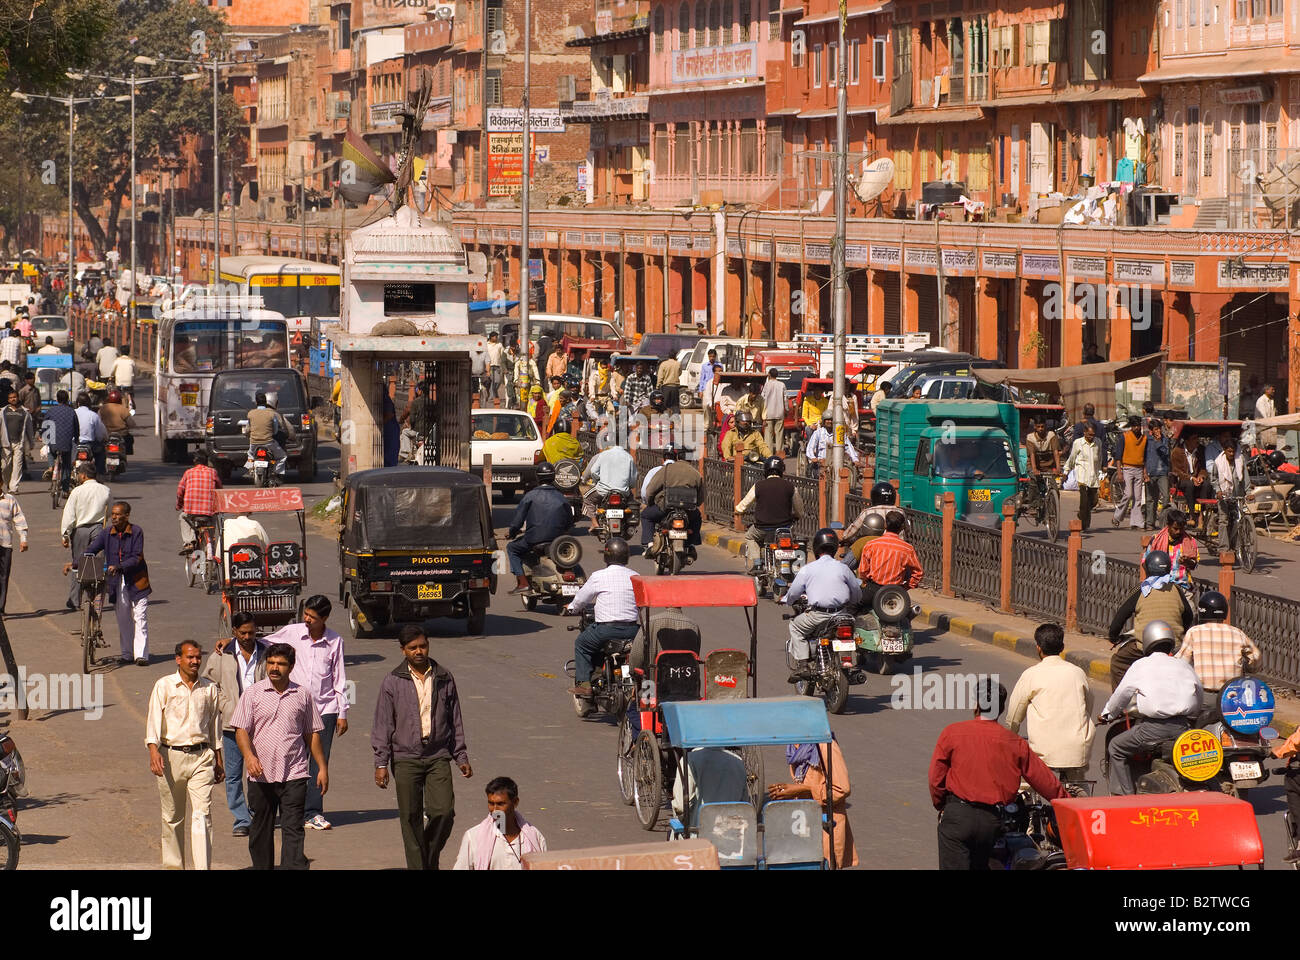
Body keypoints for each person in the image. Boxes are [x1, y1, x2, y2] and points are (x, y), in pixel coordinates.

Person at [928, 679, 1068, 869]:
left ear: (976, 704)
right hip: (991, 821)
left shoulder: (952, 733)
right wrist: (1071, 803)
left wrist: (942, 806)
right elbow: (1045, 781)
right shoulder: (1015, 742)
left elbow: (936, 778)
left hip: (957, 816)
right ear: (1001, 708)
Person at [372, 624, 473, 870]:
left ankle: (427, 855)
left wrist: (460, 755)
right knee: (410, 817)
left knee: (444, 812)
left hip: (438, 756)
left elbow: (455, 719)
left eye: (422, 646)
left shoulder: (444, 677)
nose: (419, 651)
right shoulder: (392, 681)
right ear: (403, 650)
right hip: (405, 758)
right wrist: (381, 763)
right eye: (412, 648)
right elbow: (383, 724)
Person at [231, 642, 327, 870]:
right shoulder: (253, 693)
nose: (275, 668)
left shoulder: (302, 695)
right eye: (271, 663)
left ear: (291, 667)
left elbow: (311, 733)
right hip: (260, 774)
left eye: (281, 664)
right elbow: (241, 730)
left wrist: (322, 767)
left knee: (293, 828)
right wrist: (249, 757)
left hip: (294, 773)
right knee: (261, 829)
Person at [258, 597, 349, 832]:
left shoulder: (334, 641)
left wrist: (342, 712)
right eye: (306, 614)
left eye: (313, 617)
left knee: (319, 762)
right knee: (293, 758)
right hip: (295, 708)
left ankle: (313, 812)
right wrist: (232, 642)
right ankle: (289, 810)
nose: (307, 620)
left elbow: (339, 678)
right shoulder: (292, 632)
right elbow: (261, 641)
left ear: (324, 619)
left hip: (325, 709)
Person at [1099, 622, 1203, 795]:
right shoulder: (1183, 665)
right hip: (1182, 728)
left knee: (1115, 747)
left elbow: (1121, 695)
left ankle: (1126, 798)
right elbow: (1197, 693)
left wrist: (1107, 715)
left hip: (1151, 730)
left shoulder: (1140, 665)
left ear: (1147, 642)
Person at [145, 640, 223, 870]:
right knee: (172, 818)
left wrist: (218, 759)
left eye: (198, 657)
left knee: (202, 815)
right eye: (190, 657)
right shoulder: (164, 686)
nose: (195, 661)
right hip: (170, 757)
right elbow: (153, 722)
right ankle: (174, 866)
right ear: (178, 659)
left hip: (202, 757)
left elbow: (215, 727)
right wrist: (153, 752)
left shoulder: (209, 688)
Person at [201, 612, 264, 838]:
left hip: (261, 725)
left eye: (251, 632)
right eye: (243, 633)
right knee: (235, 773)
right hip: (232, 725)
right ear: (234, 632)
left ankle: (259, 813)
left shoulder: (266, 652)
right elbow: (210, 684)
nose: (248, 637)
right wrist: (226, 705)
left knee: (258, 772)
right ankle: (241, 818)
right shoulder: (221, 655)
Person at [1005, 624, 1095, 779]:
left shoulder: (1031, 674)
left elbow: (1015, 713)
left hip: (1042, 750)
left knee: (1026, 782)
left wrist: (1010, 735)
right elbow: (1088, 706)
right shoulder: (1077, 673)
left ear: (1038, 648)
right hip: (1077, 749)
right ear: (1062, 646)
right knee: (1077, 782)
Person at [73, 500, 150, 664]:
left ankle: (141, 655)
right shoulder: (106, 533)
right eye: (112, 514)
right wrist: (74, 563)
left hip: (137, 581)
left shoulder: (136, 531)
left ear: (126, 516)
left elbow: (137, 557)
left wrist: (120, 566)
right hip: (117, 582)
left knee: (140, 617)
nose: (114, 517)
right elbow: (91, 550)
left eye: (117, 514)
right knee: (123, 619)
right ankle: (127, 654)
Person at [1107, 549, 1194, 688]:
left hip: (1143, 647)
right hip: (1174, 646)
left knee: (1118, 662)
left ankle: (1121, 708)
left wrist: (1113, 636)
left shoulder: (1142, 589)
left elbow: (1121, 616)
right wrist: (1179, 632)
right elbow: (1189, 615)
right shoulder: (1176, 589)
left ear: (1147, 569)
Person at [767, 736, 858, 868]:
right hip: (806, 825)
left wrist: (803, 790)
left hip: (827, 827)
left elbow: (841, 789)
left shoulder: (825, 746)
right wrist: (788, 793)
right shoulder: (794, 747)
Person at [783, 528, 861, 682]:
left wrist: (787, 601)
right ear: (834, 548)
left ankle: (803, 665)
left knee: (795, 627)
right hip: (842, 615)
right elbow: (856, 593)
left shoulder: (808, 569)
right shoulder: (843, 568)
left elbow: (793, 593)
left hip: (818, 615)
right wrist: (851, 603)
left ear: (817, 547)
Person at [567, 538, 639, 698]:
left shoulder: (599, 576)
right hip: (633, 631)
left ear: (606, 557)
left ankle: (585, 685)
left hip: (606, 630)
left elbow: (581, 599)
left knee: (581, 644)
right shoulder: (635, 576)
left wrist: (572, 608)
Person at [1175, 590, 1261, 695]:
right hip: (1232, 695)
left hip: (1203, 696)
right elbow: (1256, 656)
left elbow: (1181, 662)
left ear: (1201, 611)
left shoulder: (1194, 632)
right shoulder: (1237, 633)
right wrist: (1249, 668)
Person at [505, 461, 573, 593]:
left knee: (511, 548)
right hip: (557, 543)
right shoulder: (562, 498)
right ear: (553, 477)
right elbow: (569, 522)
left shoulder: (529, 496)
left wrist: (512, 532)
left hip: (533, 540)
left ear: (537, 477)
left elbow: (517, 521)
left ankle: (523, 583)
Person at [453, 777, 547, 870]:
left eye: (500, 804)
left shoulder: (535, 837)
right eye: (491, 803)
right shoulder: (473, 837)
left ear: (515, 802)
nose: (494, 810)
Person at [734, 456, 805, 574]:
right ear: (782, 470)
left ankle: (757, 564)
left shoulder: (758, 486)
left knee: (750, 536)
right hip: (784, 528)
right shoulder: (791, 486)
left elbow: (743, 505)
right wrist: (796, 515)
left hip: (762, 528)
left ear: (766, 470)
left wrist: (738, 511)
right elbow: (799, 509)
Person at [60, 462, 110, 610]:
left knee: (78, 563)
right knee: (98, 565)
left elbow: (69, 515)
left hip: (80, 530)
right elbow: (110, 512)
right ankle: (97, 599)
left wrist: (65, 534)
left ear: (83, 475)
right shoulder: (106, 490)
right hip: (99, 530)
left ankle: (75, 600)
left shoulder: (77, 491)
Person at [857, 510, 924, 608]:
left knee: (853, 607)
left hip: (873, 589)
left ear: (885, 525)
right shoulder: (907, 549)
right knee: (906, 617)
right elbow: (918, 573)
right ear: (902, 528)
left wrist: (865, 582)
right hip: (896, 592)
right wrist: (906, 587)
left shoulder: (871, 545)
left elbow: (863, 571)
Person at [642, 446, 705, 548]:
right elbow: (700, 499)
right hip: (687, 510)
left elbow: (650, 490)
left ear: (677, 457)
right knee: (697, 517)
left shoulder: (666, 469)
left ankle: (649, 543)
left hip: (665, 508)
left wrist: (650, 503)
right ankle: (692, 543)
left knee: (646, 515)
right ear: (691, 459)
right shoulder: (696, 474)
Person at [176, 451, 222, 551]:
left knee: (183, 517)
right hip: (209, 512)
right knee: (214, 517)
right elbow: (220, 489)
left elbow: (180, 490)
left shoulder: (188, 472)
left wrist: (179, 505)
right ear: (206, 462)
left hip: (191, 511)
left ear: (195, 461)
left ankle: (189, 542)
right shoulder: (213, 472)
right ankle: (210, 539)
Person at [1063, 420, 1103, 532]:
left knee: (1093, 501)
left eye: (1093, 435)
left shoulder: (1098, 442)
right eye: (1089, 434)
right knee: (1084, 501)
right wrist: (1066, 471)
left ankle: (1082, 515)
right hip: (1082, 476)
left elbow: (1099, 458)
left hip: (1093, 476)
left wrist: (1100, 471)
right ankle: (1084, 525)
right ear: (1084, 432)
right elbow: (1072, 458)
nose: (1091, 437)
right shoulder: (1078, 443)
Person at [1142, 509, 1198, 586]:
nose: (1178, 532)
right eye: (1175, 528)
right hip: (1159, 585)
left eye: (1181, 529)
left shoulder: (1190, 541)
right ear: (1168, 525)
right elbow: (1145, 562)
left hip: (1183, 585)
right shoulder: (1156, 540)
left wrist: (1187, 562)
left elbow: (1194, 565)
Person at [581, 443, 636, 521]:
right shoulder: (628, 457)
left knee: (587, 498)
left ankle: (594, 523)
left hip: (603, 490)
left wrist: (597, 481)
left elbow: (593, 471)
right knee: (630, 503)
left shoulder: (603, 455)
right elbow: (633, 477)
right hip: (623, 492)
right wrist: (629, 486)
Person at [246, 391, 295, 479]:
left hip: (254, 442)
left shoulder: (250, 413)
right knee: (282, 457)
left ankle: (250, 468)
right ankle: (277, 473)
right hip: (268, 442)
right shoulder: (272, 414)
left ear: (256, 402)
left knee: (250, 455)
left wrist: (248, 435)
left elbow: (247, 429)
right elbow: (275, 430)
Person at [1110, 416, 1146, 529]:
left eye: (1138, 425)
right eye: (1134, 426)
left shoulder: (1144, 439)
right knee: (1128, 494)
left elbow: (1145, 457)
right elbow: (1118, 457)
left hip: (1139, 469)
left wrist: (1145, 472)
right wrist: (1119, 472)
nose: (1136, 428)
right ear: (1131, 427)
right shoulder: (1124, 437)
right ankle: (1117, 516)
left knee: (1138, 498)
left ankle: (1136, 522)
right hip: (1127, 468)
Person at [1211, 439, 1247, 552]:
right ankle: (1223, 548)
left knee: (1238, 520)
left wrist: (1249, 492)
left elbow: (1246, 478)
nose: (1231, 454)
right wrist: (1218, 491)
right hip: (1223, 495)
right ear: (1225, 450)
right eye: (1229, 451)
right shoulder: (1218, 462)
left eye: (1233, 452)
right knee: (1223, 520)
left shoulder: (1240, 460)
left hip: (1237, 495)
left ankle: (1237, 546)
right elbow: (1214, 479)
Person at [1022, 416, 1060, 515]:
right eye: (1038, 427)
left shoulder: (1051, 435)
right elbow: (1032, 455)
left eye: (1042, 426)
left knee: (1054, 488)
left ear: (1046, 426)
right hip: (1034, 465)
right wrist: (1034, 469)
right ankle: (1034, 505)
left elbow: (1056, 452)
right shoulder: (1030, 438)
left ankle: (1052, 510)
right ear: (1035, 427)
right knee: (1033, 480)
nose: (1040, 429)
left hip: (1048, 466)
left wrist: (1058, 468)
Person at [805, 412, 859, 479]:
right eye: (827, 420)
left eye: (831, 420)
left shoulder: (839, 433)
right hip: (821, 464)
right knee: (821, 477)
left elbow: (849, 447)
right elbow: (810, 447)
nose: (829, 422)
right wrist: (813, 458)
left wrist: (855, 459)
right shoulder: (818, 433)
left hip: (837, 463)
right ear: (824, 421)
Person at [0, 488, 27, 614]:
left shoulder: (9, 499)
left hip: (5, 545)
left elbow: (19, 519)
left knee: (4, 577)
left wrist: (23, 539)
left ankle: (0, 608)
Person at [0, 389, 33, 493]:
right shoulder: (3, 411)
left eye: (14, 397)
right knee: (5, 466)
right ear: (8, 399)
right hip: (6, 442)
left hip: (19, 442)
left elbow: (29, 429)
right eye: (11, 397)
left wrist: (31, 442)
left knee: (17, 465)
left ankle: (14, 487)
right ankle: (9, 483)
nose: (13, 399)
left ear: (18, 398)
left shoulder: (24, 412)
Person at [1143, 418, 1170, 530]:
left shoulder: (1164, 440)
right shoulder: (1147, 441)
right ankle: (1150, 522)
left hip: (1162, 472)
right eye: (1155, 429)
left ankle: (1163, 520)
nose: (1158, 431)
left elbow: (1166, 452)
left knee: (1166, 496)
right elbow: (1144, 457)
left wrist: (1159, 442)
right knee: (1150, 499)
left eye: (1159, 429)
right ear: (1151, 431)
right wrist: (1144, 472)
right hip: (1150, 472)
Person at [74, 391, 108, 475]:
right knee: (101, 452)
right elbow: (100, 434)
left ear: (78, 403)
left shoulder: (72, 413)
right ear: (89, 403)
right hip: (89, 444)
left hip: (74, 444)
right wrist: (102, 439)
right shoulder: (93, 415)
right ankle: (100, 474)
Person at [98, 388, 132, 454]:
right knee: (130, 438)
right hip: (121, 435)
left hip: (107, 434)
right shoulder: (123, 409)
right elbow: (131, 423)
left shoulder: (102, 408)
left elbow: (98, 421)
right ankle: (125, 453)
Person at [760, 368, 786, 452]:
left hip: (768, 414)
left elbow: (762, 399)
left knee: (768, 435)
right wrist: (787, 409)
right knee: (779, 435)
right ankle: (780, 454)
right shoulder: (782, 385)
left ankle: (769, 454)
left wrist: (761, 413)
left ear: (769, 375)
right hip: (779, 413)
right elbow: (785, 398)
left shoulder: (766, 385)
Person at [1255, 383, 1278, 449]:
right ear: (1266, 390)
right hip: (1263, 429)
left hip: (1270, 430)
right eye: (1272, 389)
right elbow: (1264, 417)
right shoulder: (1261, 401)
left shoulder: (1271, 401)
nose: (1274, 391)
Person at [484, 332, 505, 402]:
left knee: (498, 381)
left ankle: (493, 393)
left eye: (496, 337)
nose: (496, 338)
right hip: (489, 366)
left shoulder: (499, 345)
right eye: (494, 337)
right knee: (492, 381)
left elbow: (502, 354)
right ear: (491, 337)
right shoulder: (486, 345)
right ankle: (492, 397)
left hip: (497, 366)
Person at [382, 389, 400, 467]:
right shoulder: (385, 398)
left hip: (390, 430)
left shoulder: (386, 399)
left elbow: (389, 414)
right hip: (389, 429)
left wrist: (380, 424)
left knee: (390, 456)